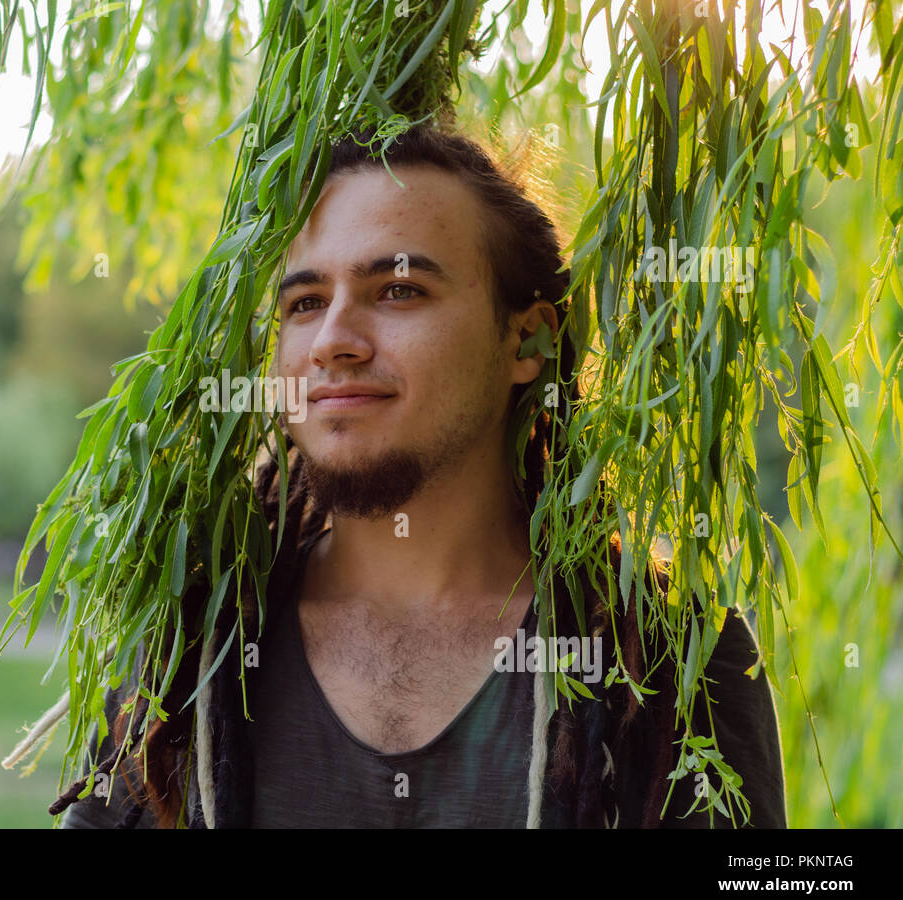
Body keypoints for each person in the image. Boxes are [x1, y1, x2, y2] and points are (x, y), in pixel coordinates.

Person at [54, 121, 786, 829]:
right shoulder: (192, 650)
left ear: (528, 338)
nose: (333, 341)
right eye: (305, 302)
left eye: (398, 290)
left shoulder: (672, 656)